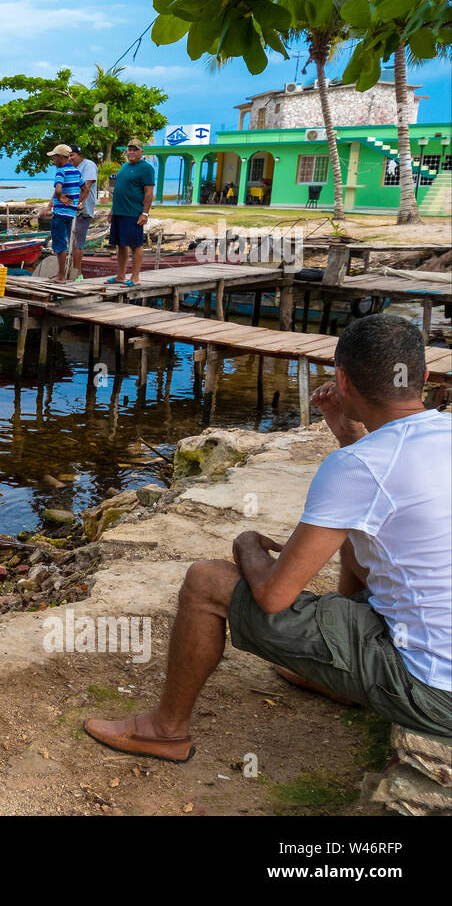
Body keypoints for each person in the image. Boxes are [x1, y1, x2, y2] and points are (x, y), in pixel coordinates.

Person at [84, 314, 452, 761]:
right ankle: (332, 675)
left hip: (432, 690)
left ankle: (165, 731)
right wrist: (350, 436)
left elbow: (275, 597)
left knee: (205, 582)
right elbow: (388, 476)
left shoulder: (357, 467)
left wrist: (247, 548)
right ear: (425, 376)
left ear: (341, 379)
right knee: (358, 534)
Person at [106, 139, 154, 287]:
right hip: (119, 212)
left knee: (136, 245)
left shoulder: (146, 168)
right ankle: (121, 276)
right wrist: (112, 210)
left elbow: (149, 192)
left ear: (141, 151)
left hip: (133, 213)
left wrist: (145, 213)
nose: (131, 152)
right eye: (129, 149)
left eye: (135, 149)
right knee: (120, 245)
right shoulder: (124, 166)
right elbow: (119, 189)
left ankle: (135, 278)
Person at [38, 143, 81, 283]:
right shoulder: (76, 171)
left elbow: (57, 189)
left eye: (55, 157)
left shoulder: (60, 172)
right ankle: (61, 274)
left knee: (59, 244)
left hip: (60, 213)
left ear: (62, 158)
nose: (53, 160)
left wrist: (61, 197)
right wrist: (77, 203)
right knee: (66, 242)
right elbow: (85, 188)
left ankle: (61, 276)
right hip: (70, 214)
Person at [68, 144, 97, 282]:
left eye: (71, 155)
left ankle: (78, 274)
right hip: (69, 211)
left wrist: (76, 205)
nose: (69, 158)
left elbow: (87, 185)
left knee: (77, 243)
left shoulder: (88, 165)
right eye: (67, 156)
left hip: (82, 211)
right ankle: (69, 272)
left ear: (79, 154)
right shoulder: (69, 168)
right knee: (69, 242)